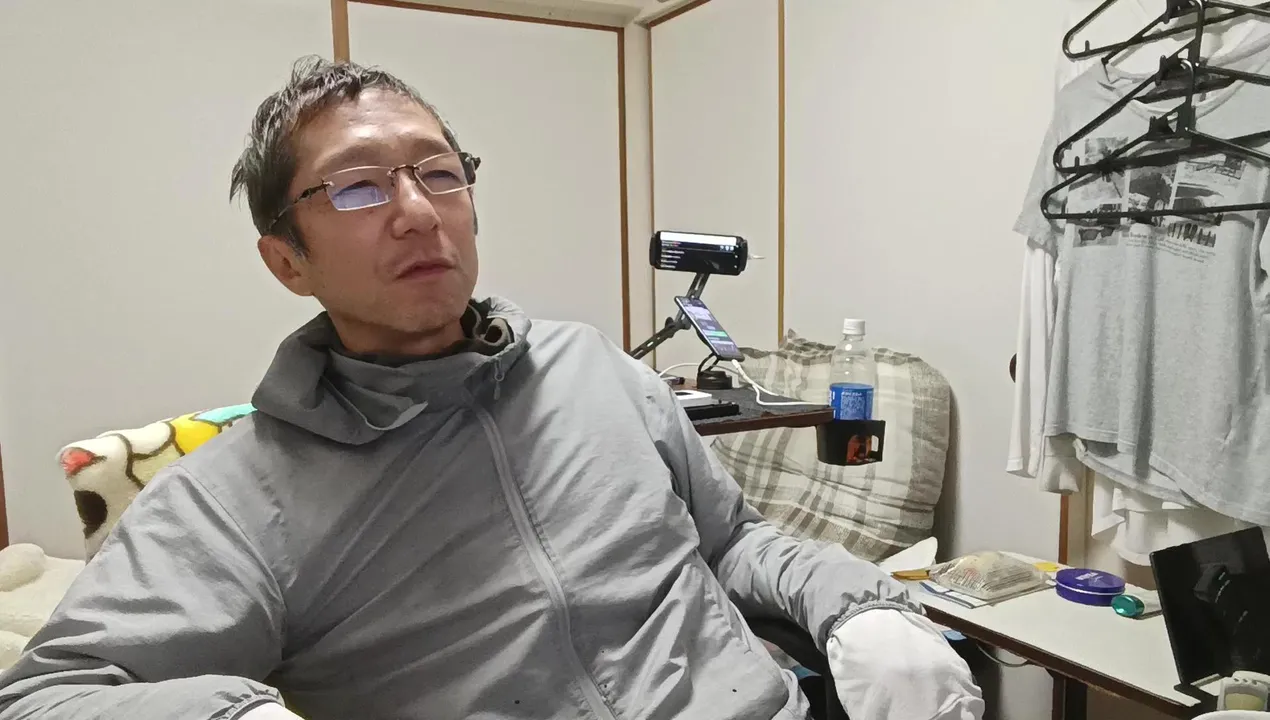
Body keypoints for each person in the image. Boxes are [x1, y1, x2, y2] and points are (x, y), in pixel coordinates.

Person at [0, 57, 983, 720]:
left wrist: (860, 609)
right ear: (287, 260)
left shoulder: (596, 369)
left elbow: (733, 541)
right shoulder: (236, 500)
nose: (417, 212)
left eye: (439, 173)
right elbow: (48, 696)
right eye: (357, 187)